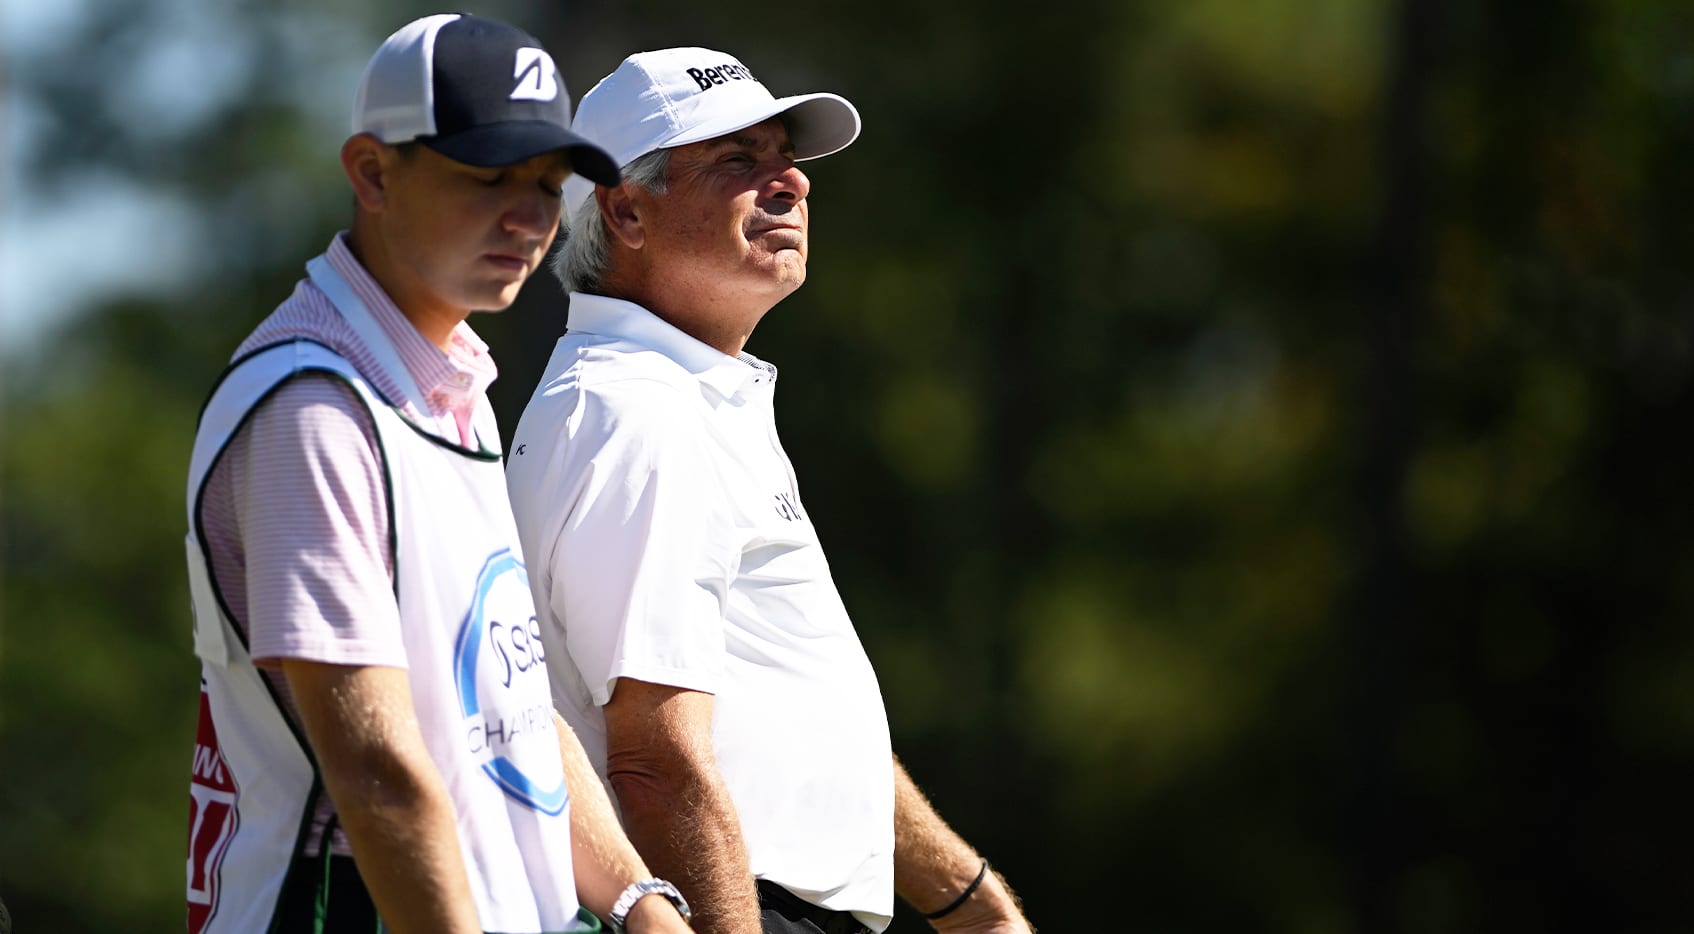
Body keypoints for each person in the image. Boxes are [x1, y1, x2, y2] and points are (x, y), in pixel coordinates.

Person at [504, 48, 1035, 934]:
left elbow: (799, 717)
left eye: (784, 156)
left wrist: (974, 906)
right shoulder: (635, 409)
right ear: (625, 212)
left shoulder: (680, 395)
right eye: (736, 162)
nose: (791, 183)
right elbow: (654, 760)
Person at [182, 16, 694, 934]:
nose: (531, 217)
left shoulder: (454, 383)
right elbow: (376, 772)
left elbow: (513, 713)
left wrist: (639, 902)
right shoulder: (313, 407)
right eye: (489, 177)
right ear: (373, 173)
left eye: (546, 184)